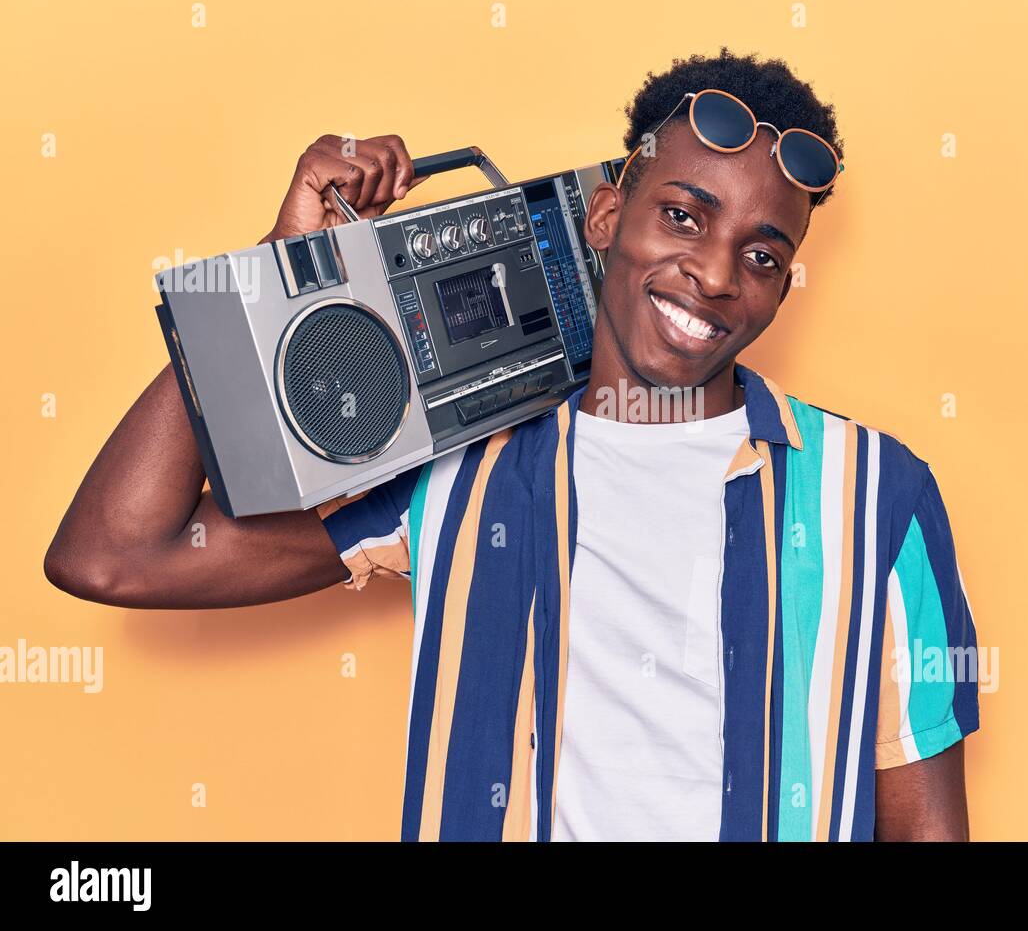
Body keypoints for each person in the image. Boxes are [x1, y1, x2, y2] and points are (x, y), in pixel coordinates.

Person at [45, 47, 980, 841]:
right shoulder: (459, 470)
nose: (715, 272)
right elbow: (114, 555)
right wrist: (275, 270)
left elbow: (927, 825)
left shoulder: (873, 493)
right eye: (684, 215)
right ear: (607, 217)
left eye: (765, 254)